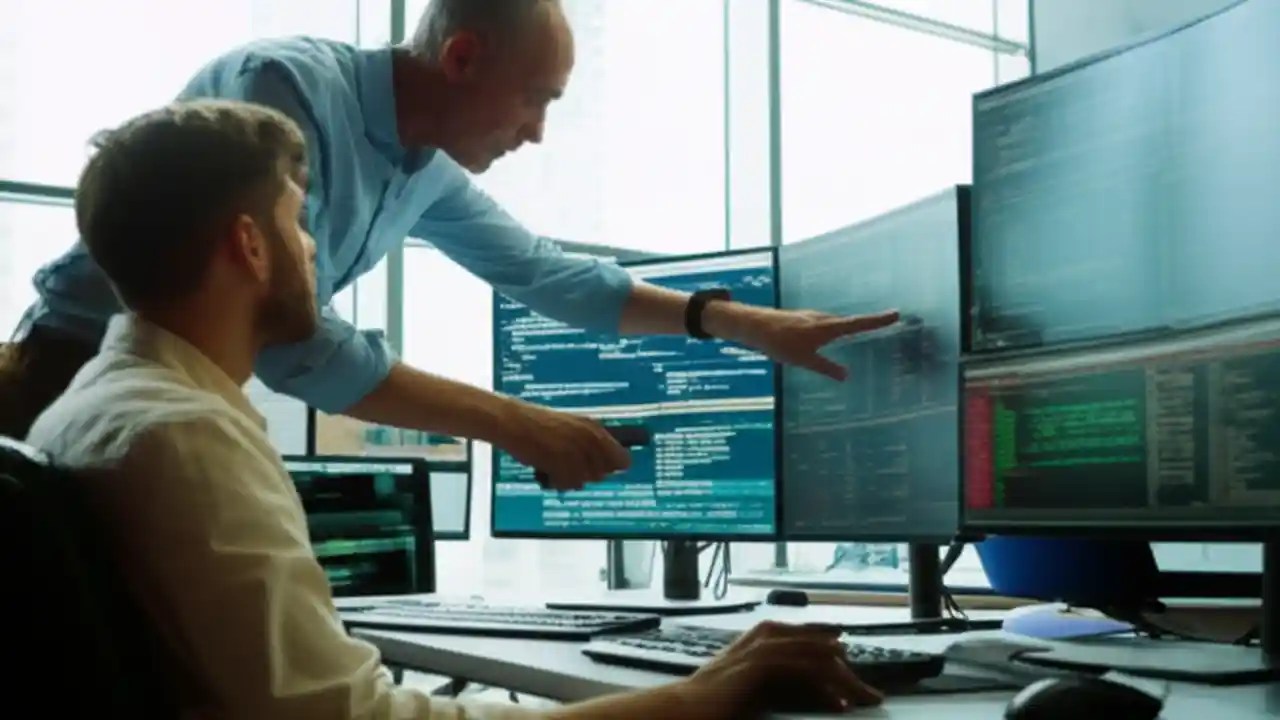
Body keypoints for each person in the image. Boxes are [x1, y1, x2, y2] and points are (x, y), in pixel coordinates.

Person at [24, 98, 883, 720]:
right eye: (298, 223)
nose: (316, 249)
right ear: (249, 245)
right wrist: (697, 698)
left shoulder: (95, 410)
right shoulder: (185, 436)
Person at [1, 0, 898, 489]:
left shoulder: (422, 168)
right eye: (536, 98)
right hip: (72, 379)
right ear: (462, 59)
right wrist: (517, 425)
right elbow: (293, 341)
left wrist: (738, 324)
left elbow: (549, 276)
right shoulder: (284, 90)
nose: (538, 132)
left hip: (170, 399)